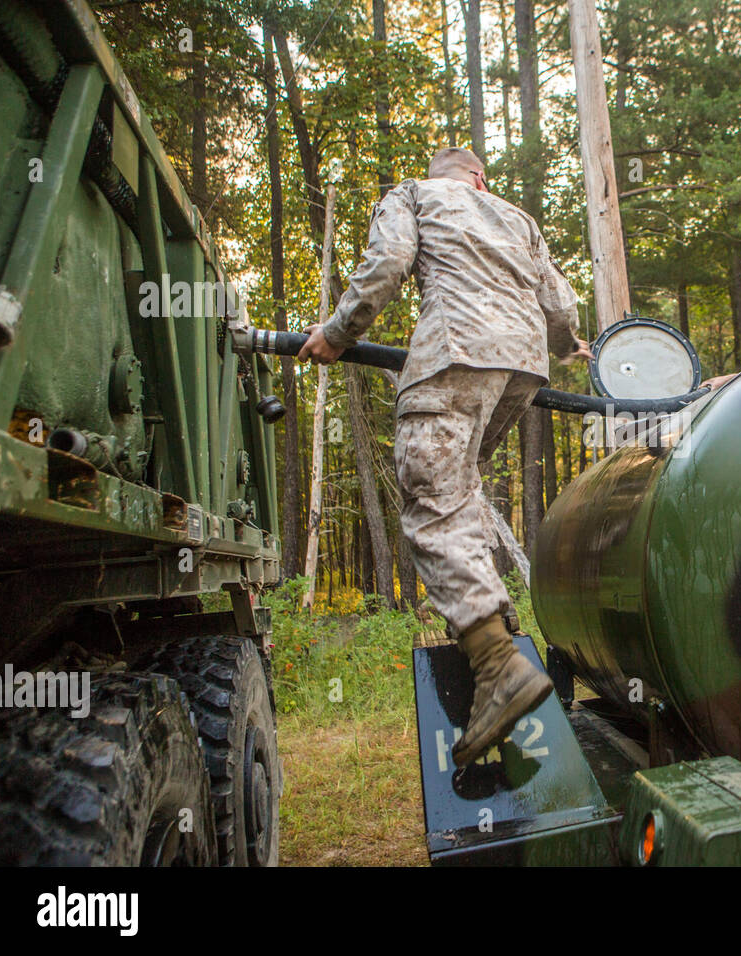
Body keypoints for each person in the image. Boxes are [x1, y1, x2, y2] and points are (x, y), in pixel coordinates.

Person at [298, 147, 592, 766]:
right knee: (458, 490)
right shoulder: (517, 218)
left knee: (432, 499)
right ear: (480, 179)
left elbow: (389, 261)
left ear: (445, 178)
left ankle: (495, 661)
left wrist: (339, 331)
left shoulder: (412, 194)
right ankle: (498, 634)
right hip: (521, 370)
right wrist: (569, 348)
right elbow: (560, 303)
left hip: (455, 356)